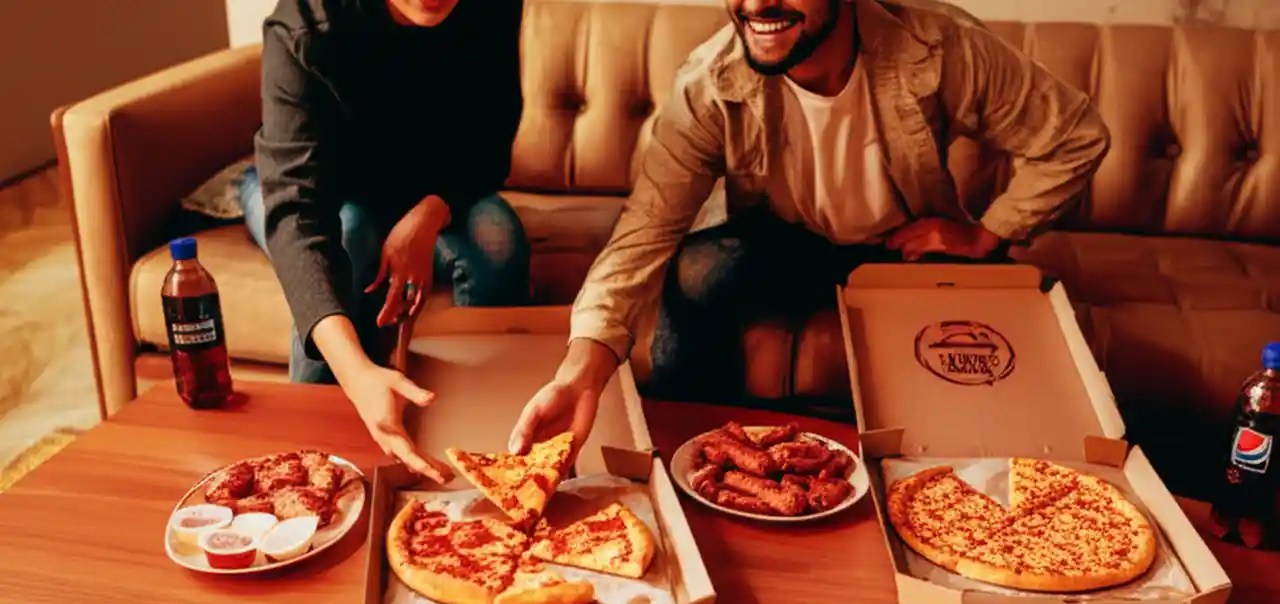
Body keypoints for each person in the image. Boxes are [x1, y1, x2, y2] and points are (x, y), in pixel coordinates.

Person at [508, 0, 1110, 457]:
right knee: (693, 269)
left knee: (1019, 357)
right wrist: (578, 373)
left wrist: (988, 233)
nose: (759, 1)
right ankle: (697, 469)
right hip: (781, 242)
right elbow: (643, 233)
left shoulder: (939, 47)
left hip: (901, 251)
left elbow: (1075, 138)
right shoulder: (709, 83)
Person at [244, 0, 529, 474]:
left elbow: (492, 137)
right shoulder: (305, 24)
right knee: (354, 233)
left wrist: (431, 214)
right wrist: (356, 375)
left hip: (427, 185)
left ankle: (495, 447)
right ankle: (314, 459)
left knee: (497, 238)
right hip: (319, 183)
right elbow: (298, 212)